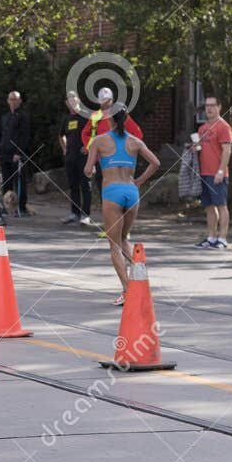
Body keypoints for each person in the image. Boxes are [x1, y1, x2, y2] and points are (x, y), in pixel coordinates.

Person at [84, 102, 160, 304]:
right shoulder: (135, 141)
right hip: (131, 192)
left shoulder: (99, 141)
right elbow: (156, 162)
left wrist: (91, 171)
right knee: (125, 238)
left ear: (109, 118)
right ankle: (140, 280)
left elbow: (88, 169)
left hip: (112, 192)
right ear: (126, 119)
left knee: (114, 245)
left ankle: (128, 290)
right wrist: (140, 181)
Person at [194, 94, 232, 249]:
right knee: (209, 206)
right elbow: (201, 150)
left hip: (218, 173)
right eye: (207, 106)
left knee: (221, 205)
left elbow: (227, 150)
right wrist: (194, 147)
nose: (209, 108)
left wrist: (221, 171)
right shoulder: (202, 128)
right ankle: (211, 237)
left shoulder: (224, 127)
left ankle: (222, 238)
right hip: (204, 172)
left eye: (212, 105)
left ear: (219, 107)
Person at [58, 92, 92, 225]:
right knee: (73, 186)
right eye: (69, 100)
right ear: (66, 103)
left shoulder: (86, 116)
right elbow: (61, 135)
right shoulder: (66, 118)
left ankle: (86, 215)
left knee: (85, 185)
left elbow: (94, 133)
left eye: (74, 99)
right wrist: (64, 148)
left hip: (84, 157)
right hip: (70, 157)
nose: (71, 101)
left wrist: (88, 146)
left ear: (78, 100)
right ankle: (74, 213)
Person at [0, 90, 31, 216]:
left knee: (19, 181)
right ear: (7, 101)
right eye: (11, 99)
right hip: (5, 153)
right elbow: (0, 135)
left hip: (16, 154)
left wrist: (19, 152)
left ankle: (21, 206)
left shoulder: (23, 116)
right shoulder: (5, 117)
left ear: (20, 101)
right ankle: (7, 206)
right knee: (6, 181)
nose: (13, 102)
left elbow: (24, 136)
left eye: (15, 99)